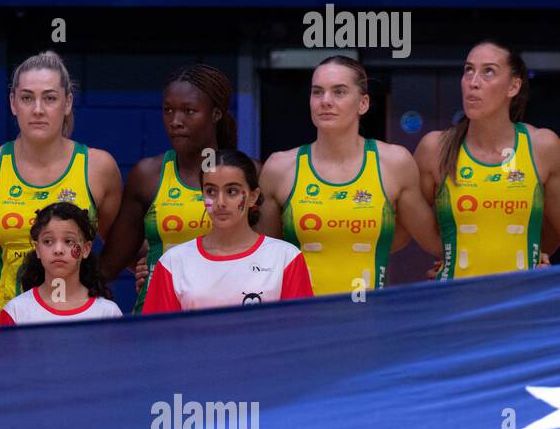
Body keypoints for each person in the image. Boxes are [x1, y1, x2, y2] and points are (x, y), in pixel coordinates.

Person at [0, 51, 122, 322]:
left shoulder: (98, 167)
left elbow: (122, 249)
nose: (38, 109)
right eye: (27, 97)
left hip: (76, 325)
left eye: (50, 98)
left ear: (67, 102)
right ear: (13, 103)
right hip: (0, 324)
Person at [258, 56, 441, 295]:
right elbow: (260, 261)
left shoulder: (394, 163)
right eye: (317, 92)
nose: (325, 101)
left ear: (363, 103)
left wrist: (455, 266)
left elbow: (433, 240)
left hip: (369, 323)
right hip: (300, 323)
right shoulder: (279, 168)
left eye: (339, 92)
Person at [414, 41, 560, 278]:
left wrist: (539, 252)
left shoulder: (542, 146)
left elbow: (555, 227)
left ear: (513, 86)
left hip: (521, 306)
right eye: (468, 70)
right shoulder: (435, 148)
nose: (473, 82)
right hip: (455, 303)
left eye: (488, 72)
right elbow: (404, 224)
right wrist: (448, 254)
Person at [101, 64, 237, 311]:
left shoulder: (250, 175)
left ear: (216, 114)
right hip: (155, 322)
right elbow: (109, 266)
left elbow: (269, 259)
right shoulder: (148, 175)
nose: (175, 121)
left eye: (189, 111)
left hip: (224, 324)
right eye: (168, 110)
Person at [143, 150, 314, 313]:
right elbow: (159, 337)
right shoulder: (173, 262)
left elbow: (299, 333)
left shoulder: (285, 257)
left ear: (253, 197)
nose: (220, 202)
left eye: (231, 191)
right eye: (211, 191)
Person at [0, 202, 123, 325]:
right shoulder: (15, 312)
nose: (58, 250)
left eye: (68, 241)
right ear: (37, 249)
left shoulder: (108, 313)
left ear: (86, 249)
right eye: (48, 241)